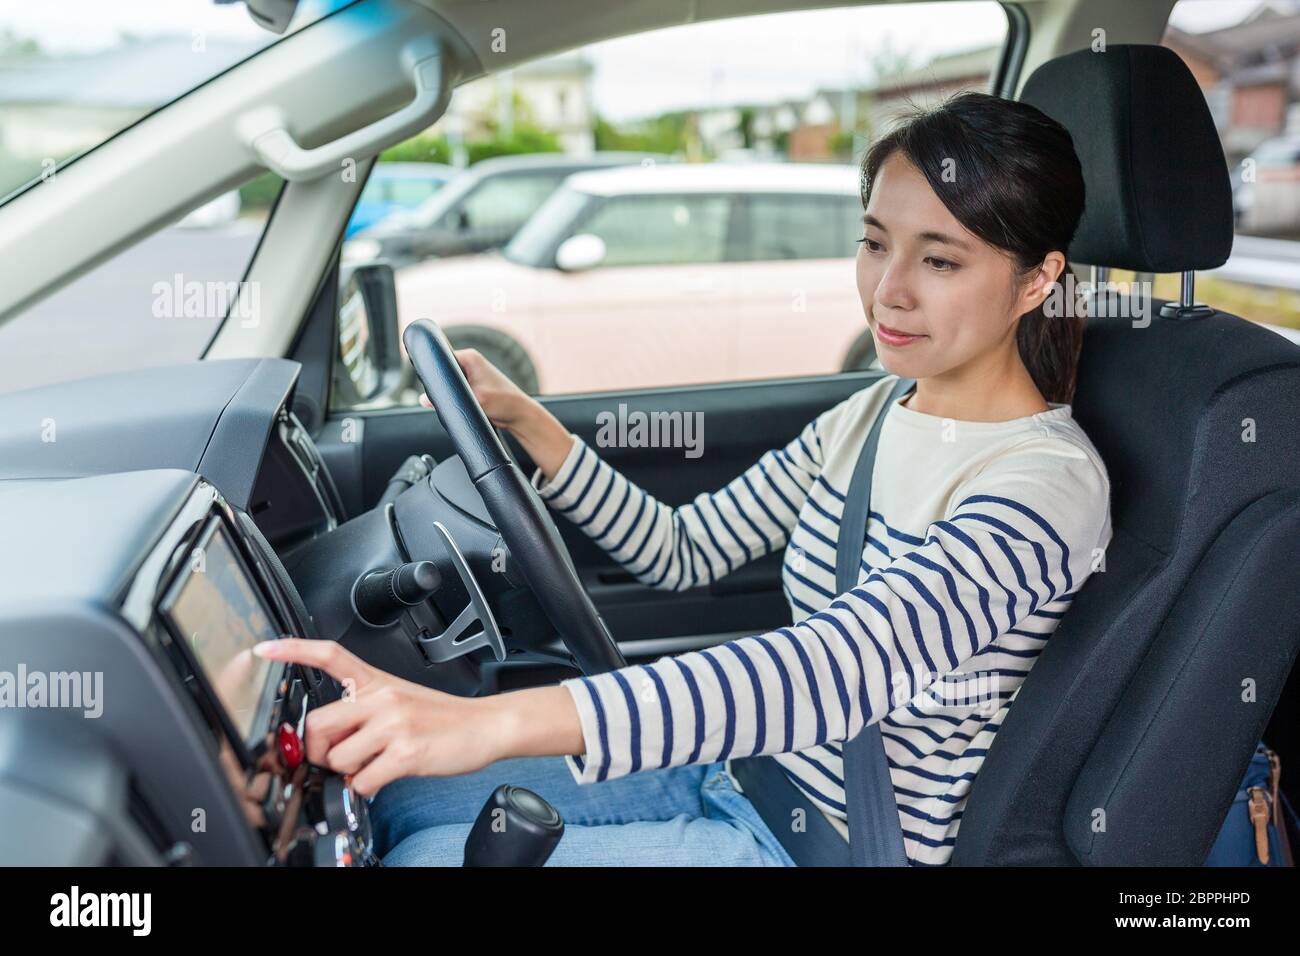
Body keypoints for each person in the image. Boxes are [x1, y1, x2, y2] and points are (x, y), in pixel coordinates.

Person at [255, 90, 1113, 867]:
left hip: (837, 846)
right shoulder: (876, 413)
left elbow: (838, 672)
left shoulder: (1044, 488)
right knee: (390, 798)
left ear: (1037, 279)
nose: (887, 292)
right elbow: (685, 550)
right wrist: (528, 423)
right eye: (875, 243)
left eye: (940, 261)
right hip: (741, 773)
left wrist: (483, 723)